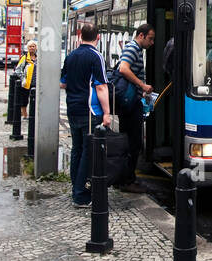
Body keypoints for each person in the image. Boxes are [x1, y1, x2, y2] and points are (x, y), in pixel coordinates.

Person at [60, 23, 112, 207]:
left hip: (72, 108)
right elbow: (101, 86)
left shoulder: (71, 56)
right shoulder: (95, 57)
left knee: (77, 149)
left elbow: (63, 83)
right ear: (97, 37)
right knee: (87, 152)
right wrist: (106, 113)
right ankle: (81, 195)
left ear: (80, 35)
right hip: (89, 110)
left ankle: (76, 187)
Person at [114, 24, 154, 191]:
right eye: (150, 38)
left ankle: (125, 178)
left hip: (132, 101)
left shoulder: (136, 49)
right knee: (132, 143)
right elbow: (123, 68)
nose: (152, 43)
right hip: (130, 105)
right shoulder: (132, 48)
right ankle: (126, 181)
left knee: (131, 142)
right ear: (141, 36)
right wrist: (142, 85)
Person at [16, 40, 38, 118]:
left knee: (35, 100)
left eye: (33, 46)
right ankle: (25, 114)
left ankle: (34, 115)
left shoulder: (39, 58)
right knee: (24, 100)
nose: (32, 48)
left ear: (36, 48)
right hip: (27, 83)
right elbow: (18, 70)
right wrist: (23, 79)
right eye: (30, 46)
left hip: (36, 83)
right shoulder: (24, 58)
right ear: (28, 48)